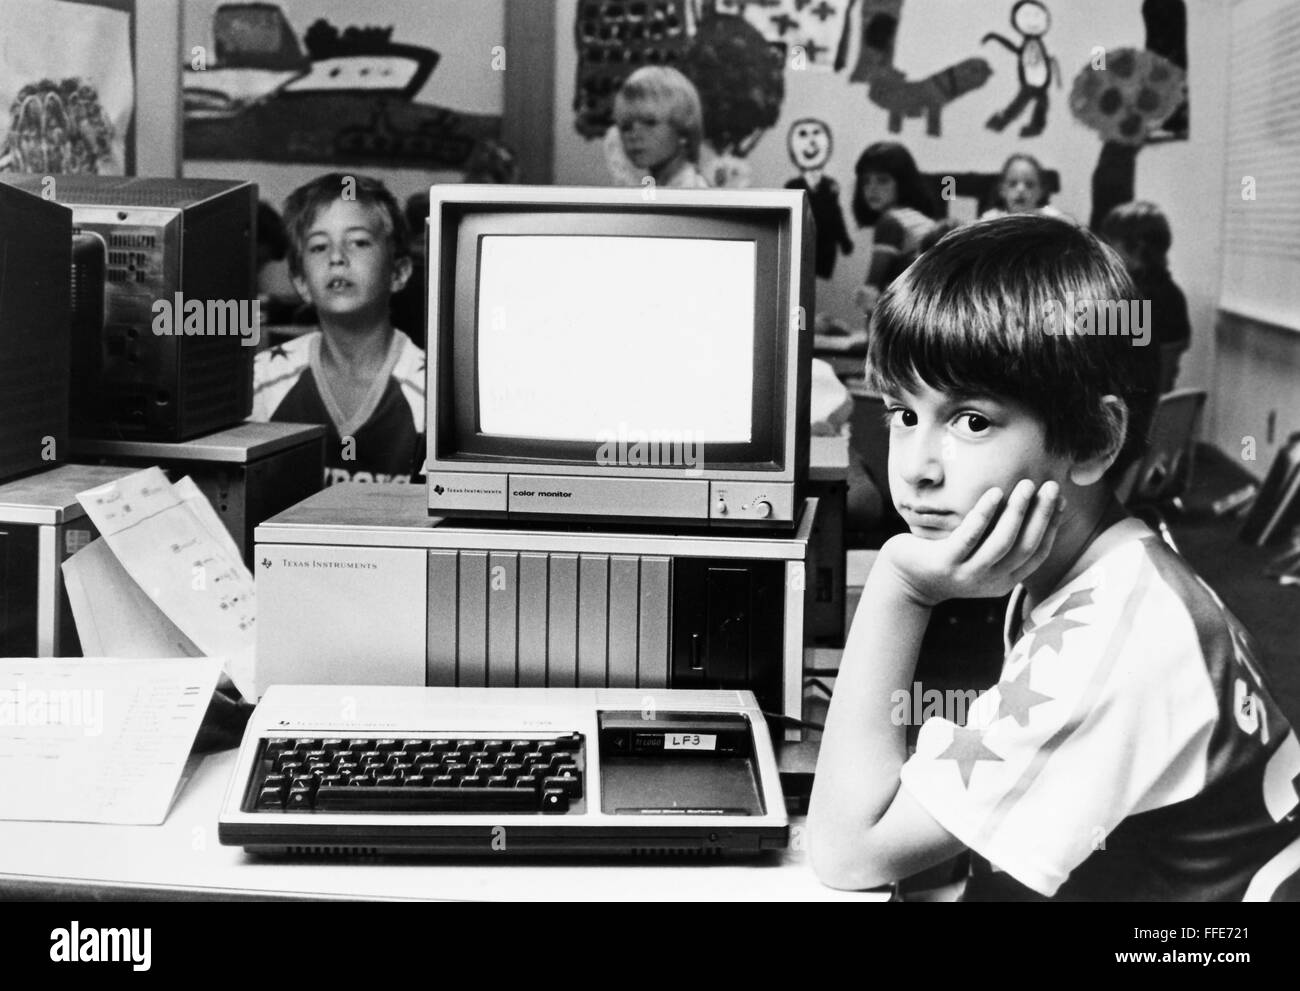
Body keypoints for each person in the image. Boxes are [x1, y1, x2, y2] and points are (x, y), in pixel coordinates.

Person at [808, 215, 1300, 900]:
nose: (917, 467)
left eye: (971, 420)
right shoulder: (1113, 565)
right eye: (903, 413)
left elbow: (844, 852)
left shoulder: (1107, 641)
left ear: (1094, 439)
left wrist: (900, 585)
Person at [251, 172, 425, 486]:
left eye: (358, 242)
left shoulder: (430, 397)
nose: (337, 258)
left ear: (399, 272)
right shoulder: (261, 383)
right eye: (318, 247)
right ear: (301, 282)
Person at [1100, 200, 1192, 392]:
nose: (1105, 252)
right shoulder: (1174, 295)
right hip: (1159, 409)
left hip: (1128, 411)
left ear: (1137, 248)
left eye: (1110, 244)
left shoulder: (1132, 300)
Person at [850, 141, 940, 319]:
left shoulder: (890, 221)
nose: (872, 188)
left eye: (882, 180)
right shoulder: (917, 219)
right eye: (866, 181)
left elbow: (871, 289)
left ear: (902, 183)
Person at [609, 66, 709, 189]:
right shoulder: (658, 186)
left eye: (650, 123)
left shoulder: (691, 191)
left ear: (683, 130)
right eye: (626, 127)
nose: (634, 136)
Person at [979, 152, 1066, 220]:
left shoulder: (1051, 219)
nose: (1021, 190)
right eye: (1012, 184)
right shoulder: (991, 221)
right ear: (1002, 190)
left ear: (1041, 191)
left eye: (1029, 185)